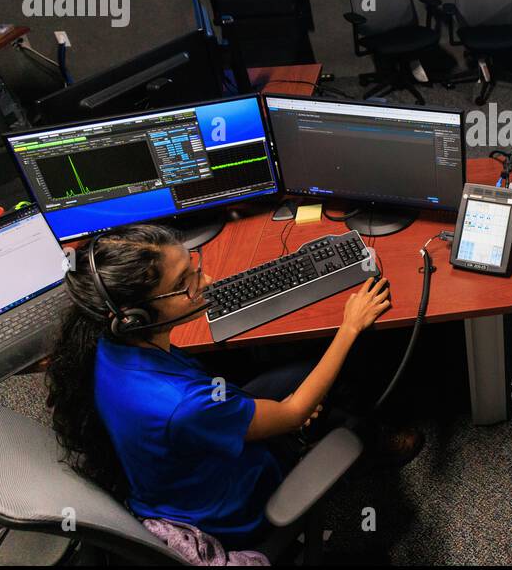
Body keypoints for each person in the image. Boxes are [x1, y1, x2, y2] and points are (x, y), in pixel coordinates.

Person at [46, 223, 416, 548]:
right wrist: (349, 326)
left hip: (186, 469)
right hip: (236, 510)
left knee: (307, 376)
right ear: (134, 317)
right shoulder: (181, 405)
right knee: (332, 394)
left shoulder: (107, 345)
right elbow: (292, 412)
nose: (204, 282)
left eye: (193, 268)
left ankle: (321, 431)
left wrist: (284, 410)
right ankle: (365, 449)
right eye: (183, 285)